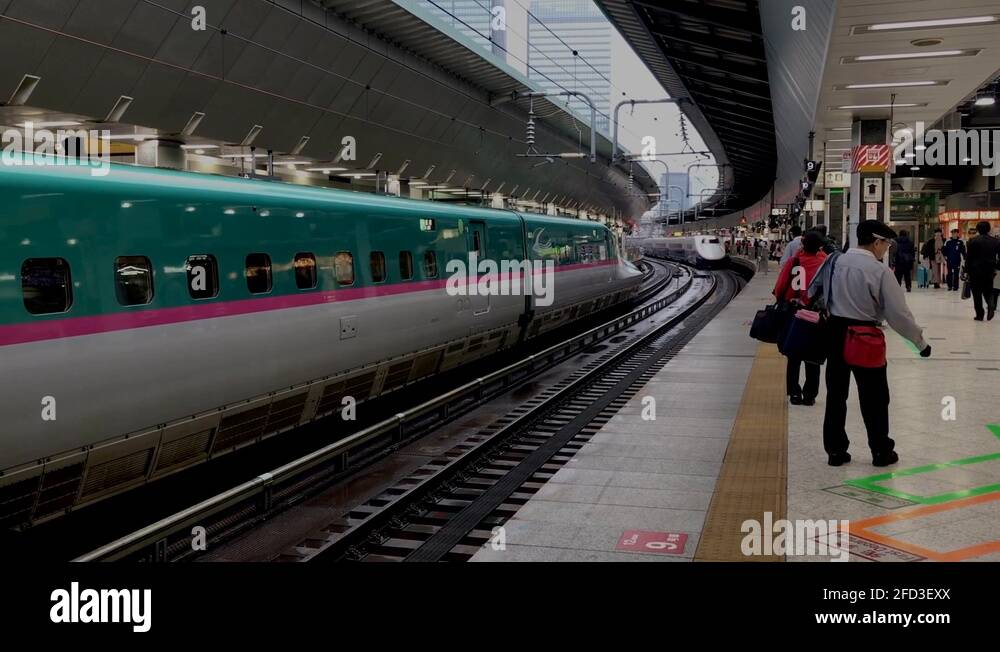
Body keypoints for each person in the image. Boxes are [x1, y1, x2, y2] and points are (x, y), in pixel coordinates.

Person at [808, 220, 931, 467]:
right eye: (886, 243)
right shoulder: (879, 271)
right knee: (874, 398)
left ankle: (835, 451)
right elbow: (898, 314)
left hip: (835, 334)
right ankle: (880, 451)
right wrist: (920, 343)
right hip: (865, 337)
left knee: (836, 395)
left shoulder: (833, 261)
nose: (886, 249)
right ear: (876, 241)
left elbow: (813, 292)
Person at [773, 230, 827, 405]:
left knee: (794, 355)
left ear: (802, 245)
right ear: (820, 246)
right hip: (816, 315)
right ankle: (810, 395)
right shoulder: (825, 263)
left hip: (794, 312)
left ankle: (794, 393)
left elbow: (781, 286)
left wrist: (780, 299)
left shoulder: (794, 261)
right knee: (813, 355)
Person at [966, 221, 1000, 321]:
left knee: (977, 293)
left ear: (978, 229)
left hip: (975, 270)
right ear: (989, 229)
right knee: (988, 290)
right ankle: (991, 305)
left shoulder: (973, 241)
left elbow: (969, 257)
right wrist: (997, 266)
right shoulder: (996, 241)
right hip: (989, 269)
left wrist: (967, 270)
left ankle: (980, 314)